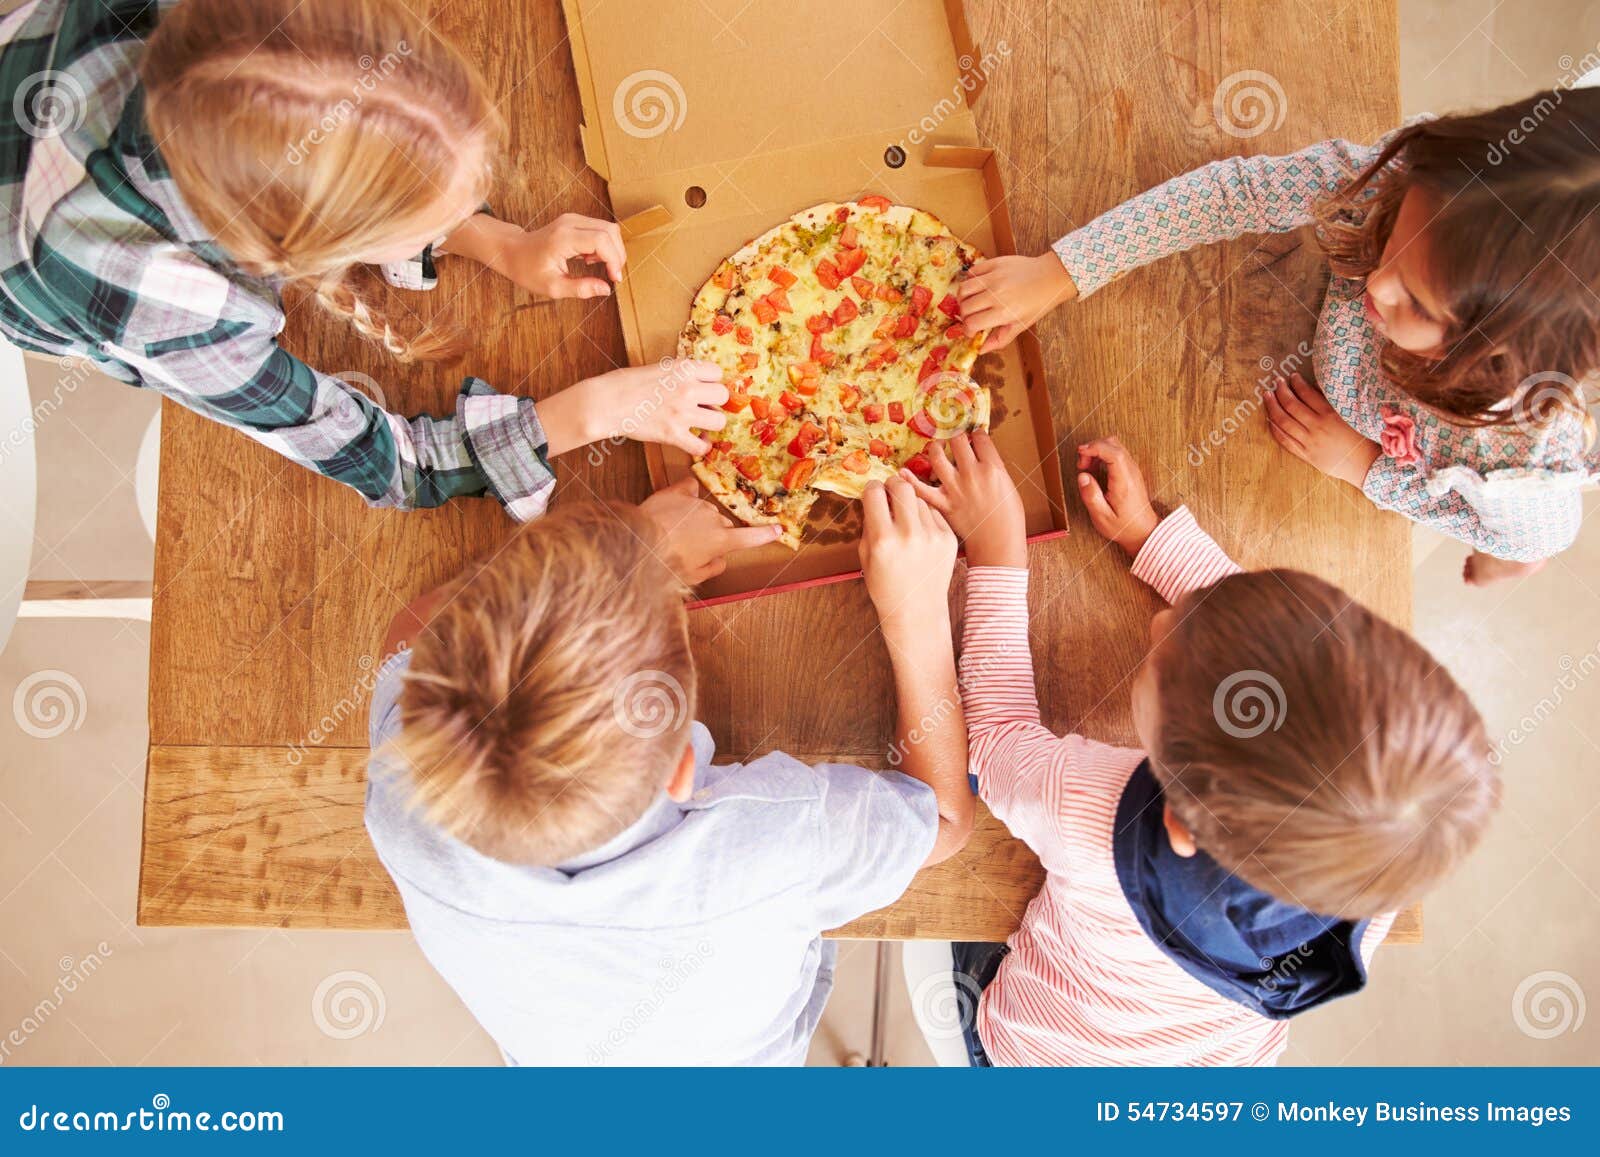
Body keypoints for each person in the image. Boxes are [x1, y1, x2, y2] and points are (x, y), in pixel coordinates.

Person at [898, 431, 1499, 1065]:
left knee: (931, 932)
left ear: (1180, 821)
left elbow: (997, 739)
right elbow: (1291, 674)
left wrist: (996, 553)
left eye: (1169, 659)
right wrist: (1151, 538)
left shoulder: (1093, 811)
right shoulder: (1382, 851)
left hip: (1028, 1062)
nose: (1168, 620)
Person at [0, 0, 728, 518]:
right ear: (306, 256)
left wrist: (495, 240)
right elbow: (394, 465)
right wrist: (599, 408)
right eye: (423, 220)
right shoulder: (170, 309)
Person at [364, 479, 973, 1064]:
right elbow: (943, 819)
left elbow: (407, 633)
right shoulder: (779, 842)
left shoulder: (404, 790)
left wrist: (622, 568)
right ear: (683, 771)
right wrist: (915, 615)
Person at [957, 90, 1600, 585]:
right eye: (1390, 244)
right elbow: (1236, 194)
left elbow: (1536, 536)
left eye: (1417, 300)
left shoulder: (1519, 452)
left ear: (1497, 358)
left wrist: (1363, 464)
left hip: (1491, 505)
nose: (1375, 284)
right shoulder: (1418, 182)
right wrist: (1063, 271)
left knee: (1506, 547)